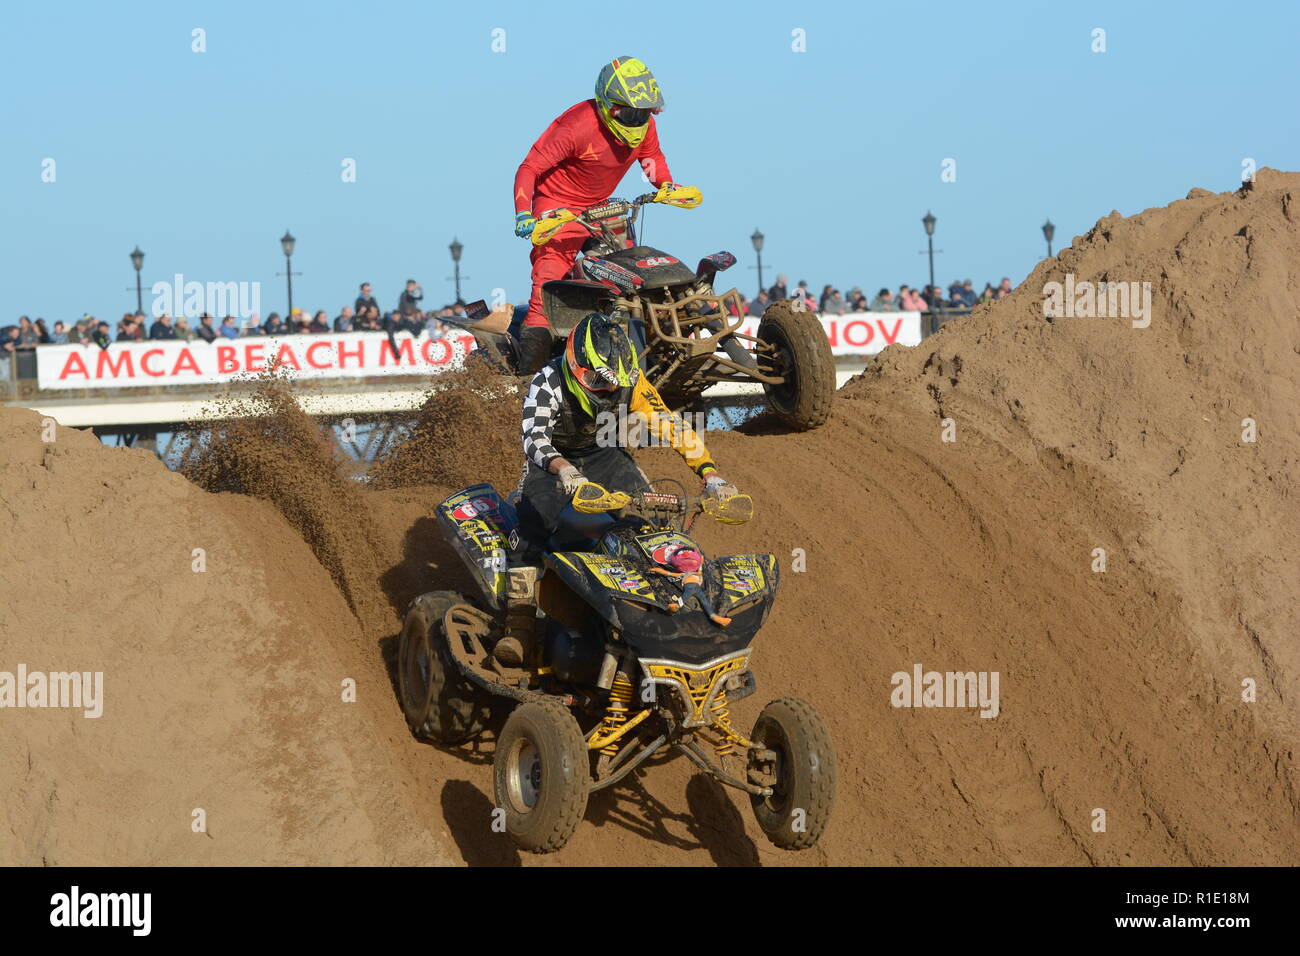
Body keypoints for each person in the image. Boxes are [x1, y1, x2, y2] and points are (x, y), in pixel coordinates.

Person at [512, 56, 689, 374]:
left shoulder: (645, 126)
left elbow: (651, 157)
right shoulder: (576, 126)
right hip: (558, 206)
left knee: (634, 275)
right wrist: (524, 213)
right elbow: (529, 168)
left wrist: (666, 185)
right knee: (546, 286)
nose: (637, 121)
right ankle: (527, 378)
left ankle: (642, 352)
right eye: (630, 113)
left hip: (602, 206)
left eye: (643, 113)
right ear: (610, 107)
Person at [518, 312, 739, 559]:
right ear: (574, 363)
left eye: (615, 384)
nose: (607, 390)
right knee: (533, 525)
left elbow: (672, 426)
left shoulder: (634, 383)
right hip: (553, 462)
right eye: (598, 380)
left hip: (602, 455)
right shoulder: (549, 380)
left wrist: (710, 473)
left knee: (650, 518)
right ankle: (519, 571)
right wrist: (564, 469)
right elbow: (534, 437)